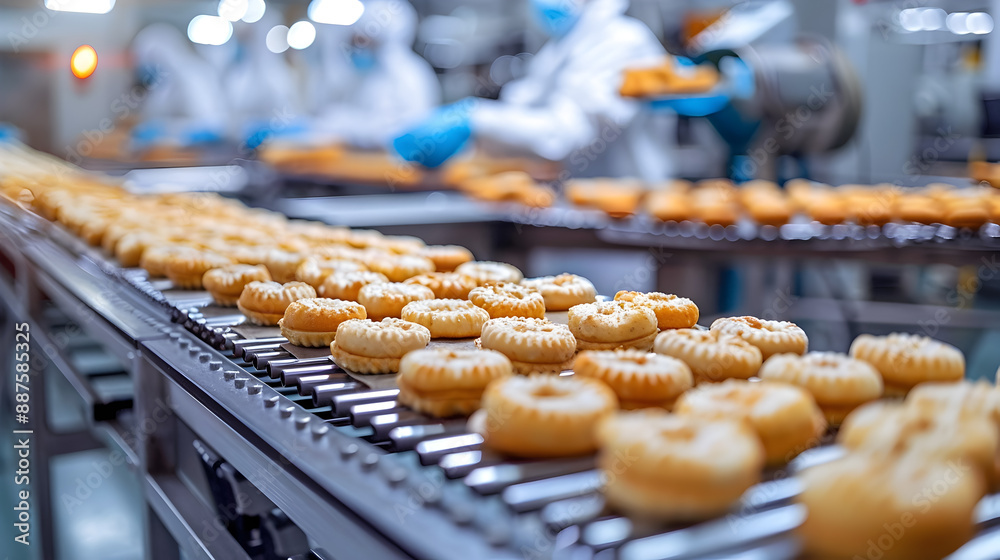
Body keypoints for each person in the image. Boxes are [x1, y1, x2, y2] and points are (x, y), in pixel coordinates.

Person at [393, 0, 672, 181]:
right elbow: (524, 108)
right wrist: (473, 130)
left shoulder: (620, 40)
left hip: (619, 222)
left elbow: (565, 134)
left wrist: (475, 118)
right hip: (565, 210)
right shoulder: (561, 46)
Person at [313, 0, 441, 149]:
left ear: (386, 41)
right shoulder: (362, 76)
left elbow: (412, 129)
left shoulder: (411, 77)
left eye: (366, 42)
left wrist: (351, 128)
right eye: (356, 42)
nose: (360, 49)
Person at [130, 23, 230, 148]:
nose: (146, 66)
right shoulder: (161, 85)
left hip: (202, 154)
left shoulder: (195, 74)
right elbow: (153, 117)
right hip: (169, 156)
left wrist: (171, 132)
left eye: (150, 59)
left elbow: (213, 123)